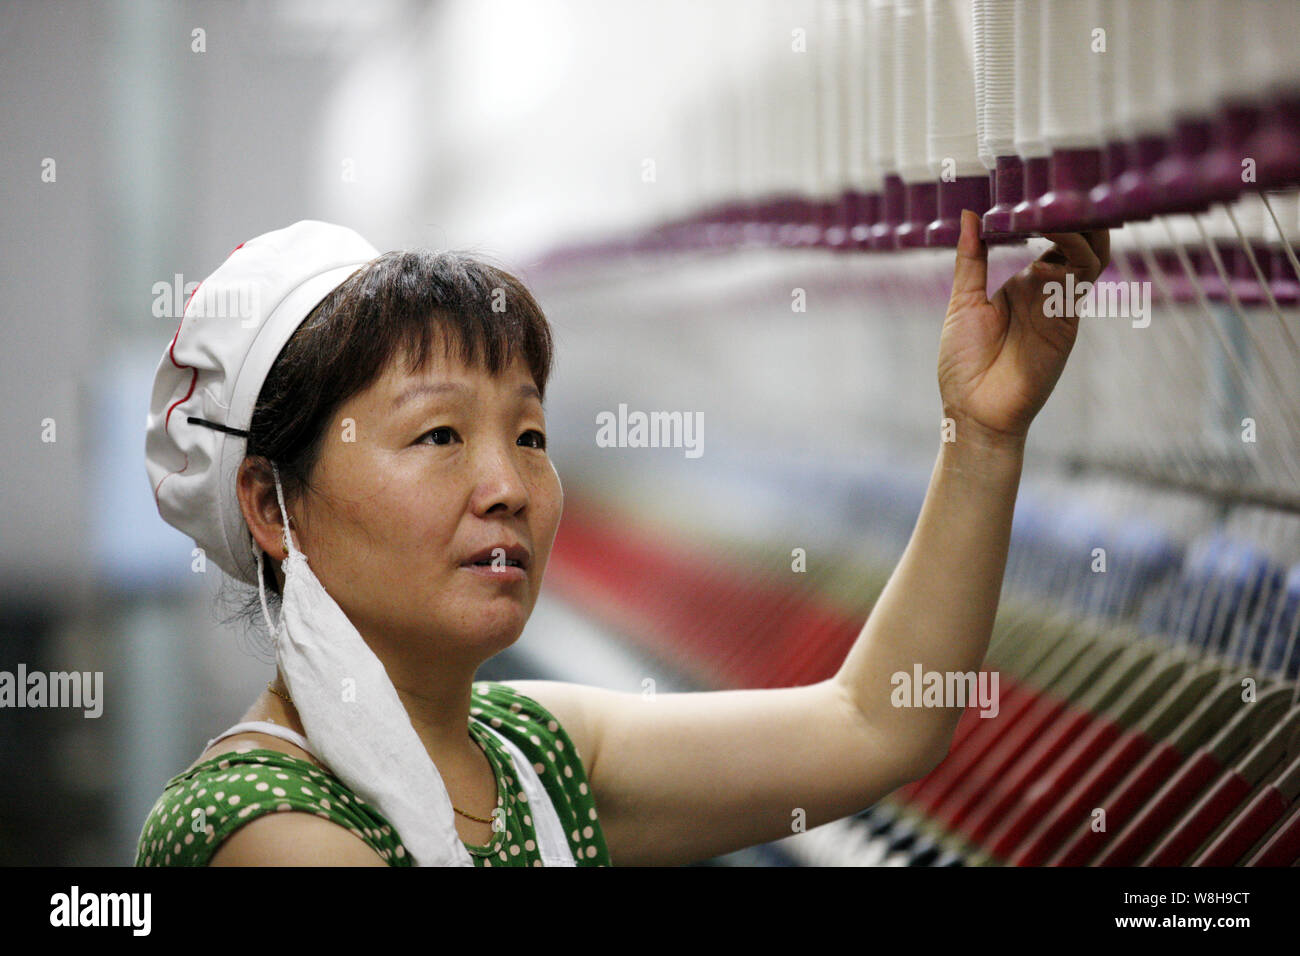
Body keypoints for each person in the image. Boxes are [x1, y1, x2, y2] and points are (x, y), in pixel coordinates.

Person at [136, 212, 1107, 866]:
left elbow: (873, 721)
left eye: (530, 435)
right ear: (272, 506)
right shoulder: (269, 828)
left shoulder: (531, 756)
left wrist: (979, 435)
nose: (509, 487)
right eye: (438, 436)